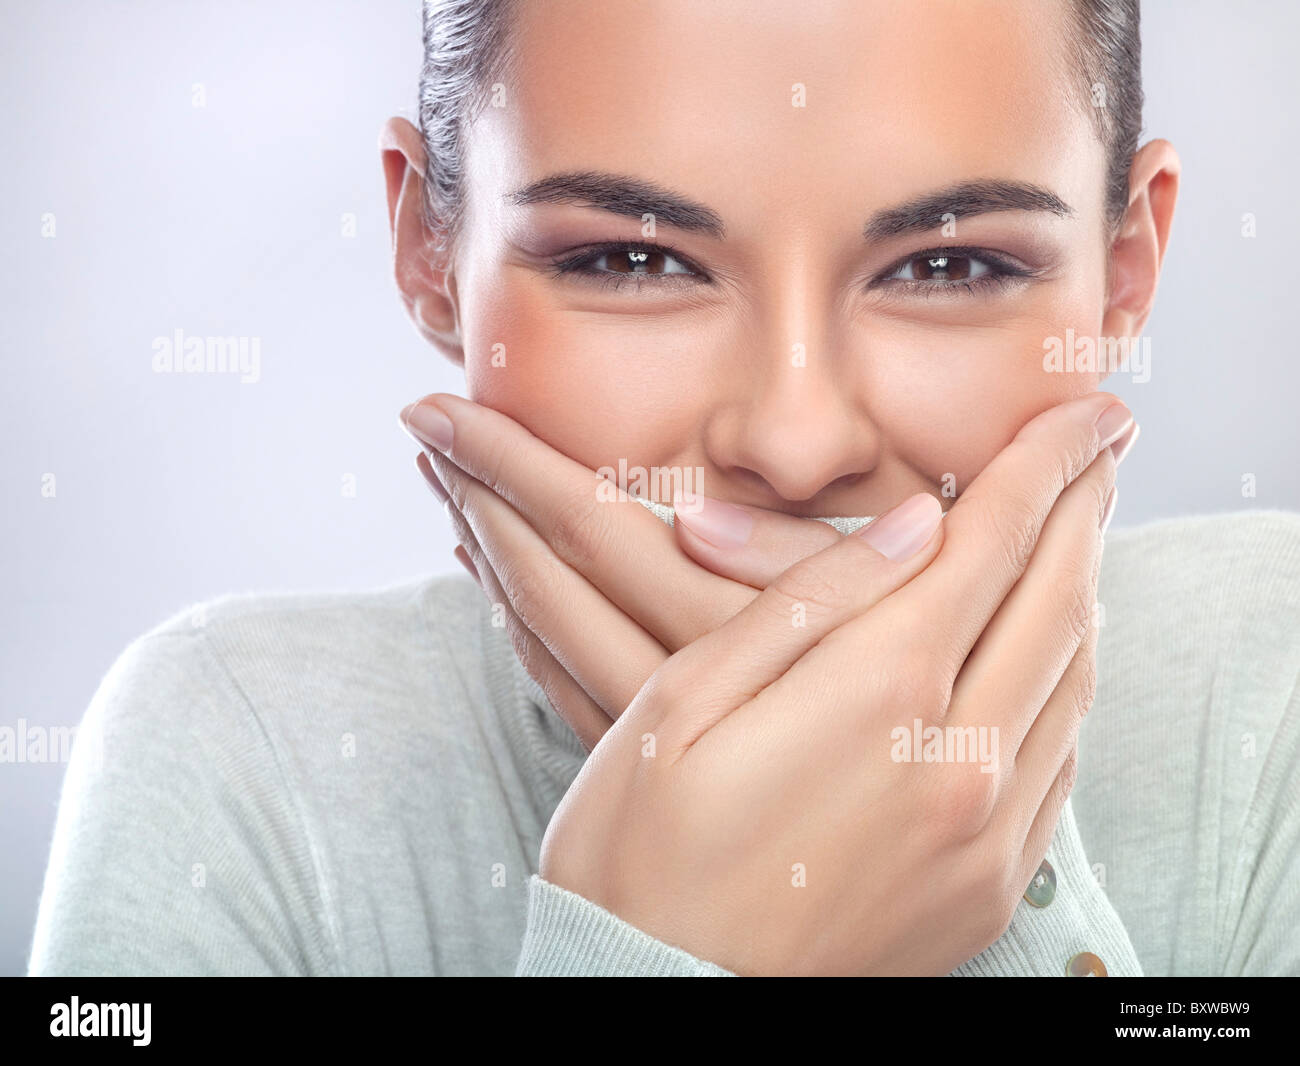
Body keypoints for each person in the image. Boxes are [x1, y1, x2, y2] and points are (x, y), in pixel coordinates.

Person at [28, 0, 1300, 976]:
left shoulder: (1275, 682)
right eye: (632, 259)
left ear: (1124, 272)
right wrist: (648, 942)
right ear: (429, 252)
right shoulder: (238, 753)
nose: (797, 444)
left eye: (951, 265)